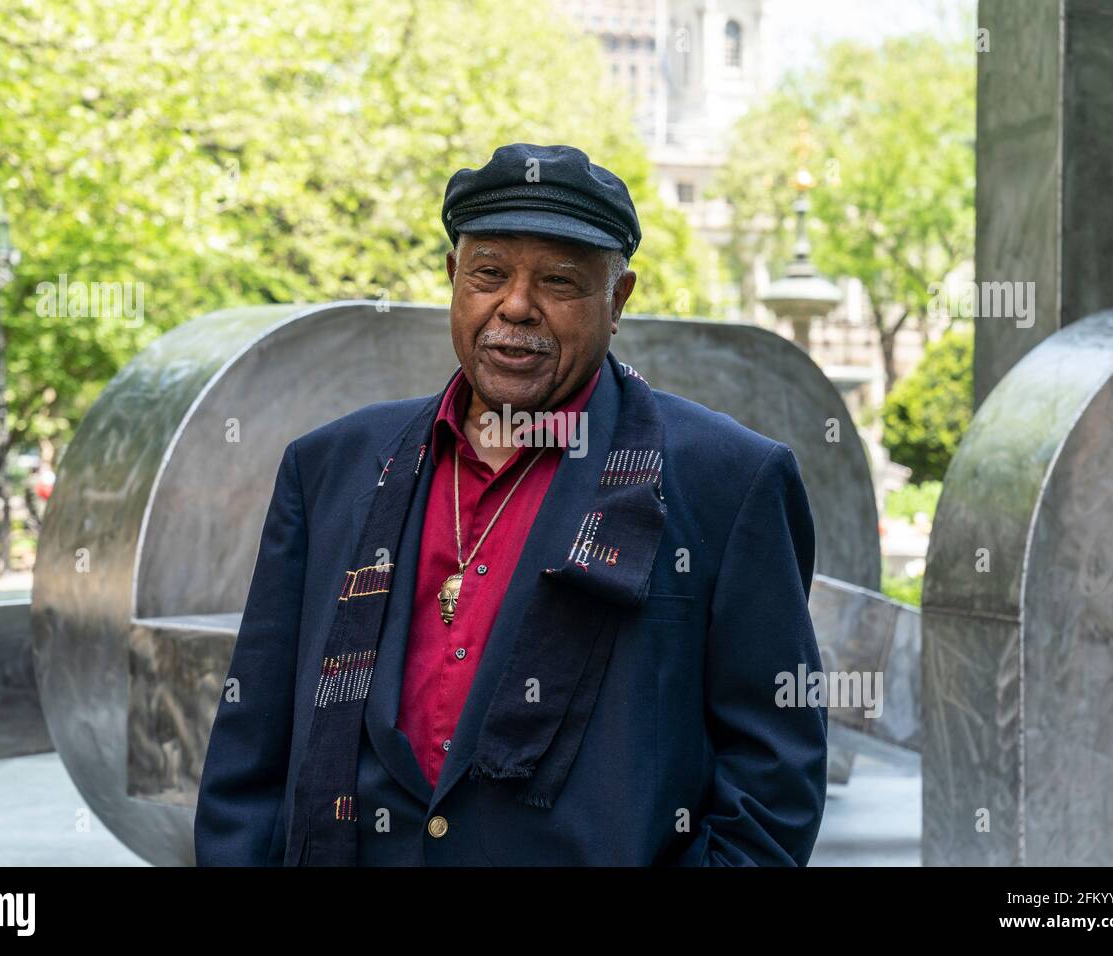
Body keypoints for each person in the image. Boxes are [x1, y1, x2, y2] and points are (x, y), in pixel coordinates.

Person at [194, 143, 828, 866]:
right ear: (453, 280)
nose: (516, 306)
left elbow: (772, 784)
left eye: (559, 281)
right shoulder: (331, 467)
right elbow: (249, 754)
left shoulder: (727, 480)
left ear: (617, 301)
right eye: (489, 273)